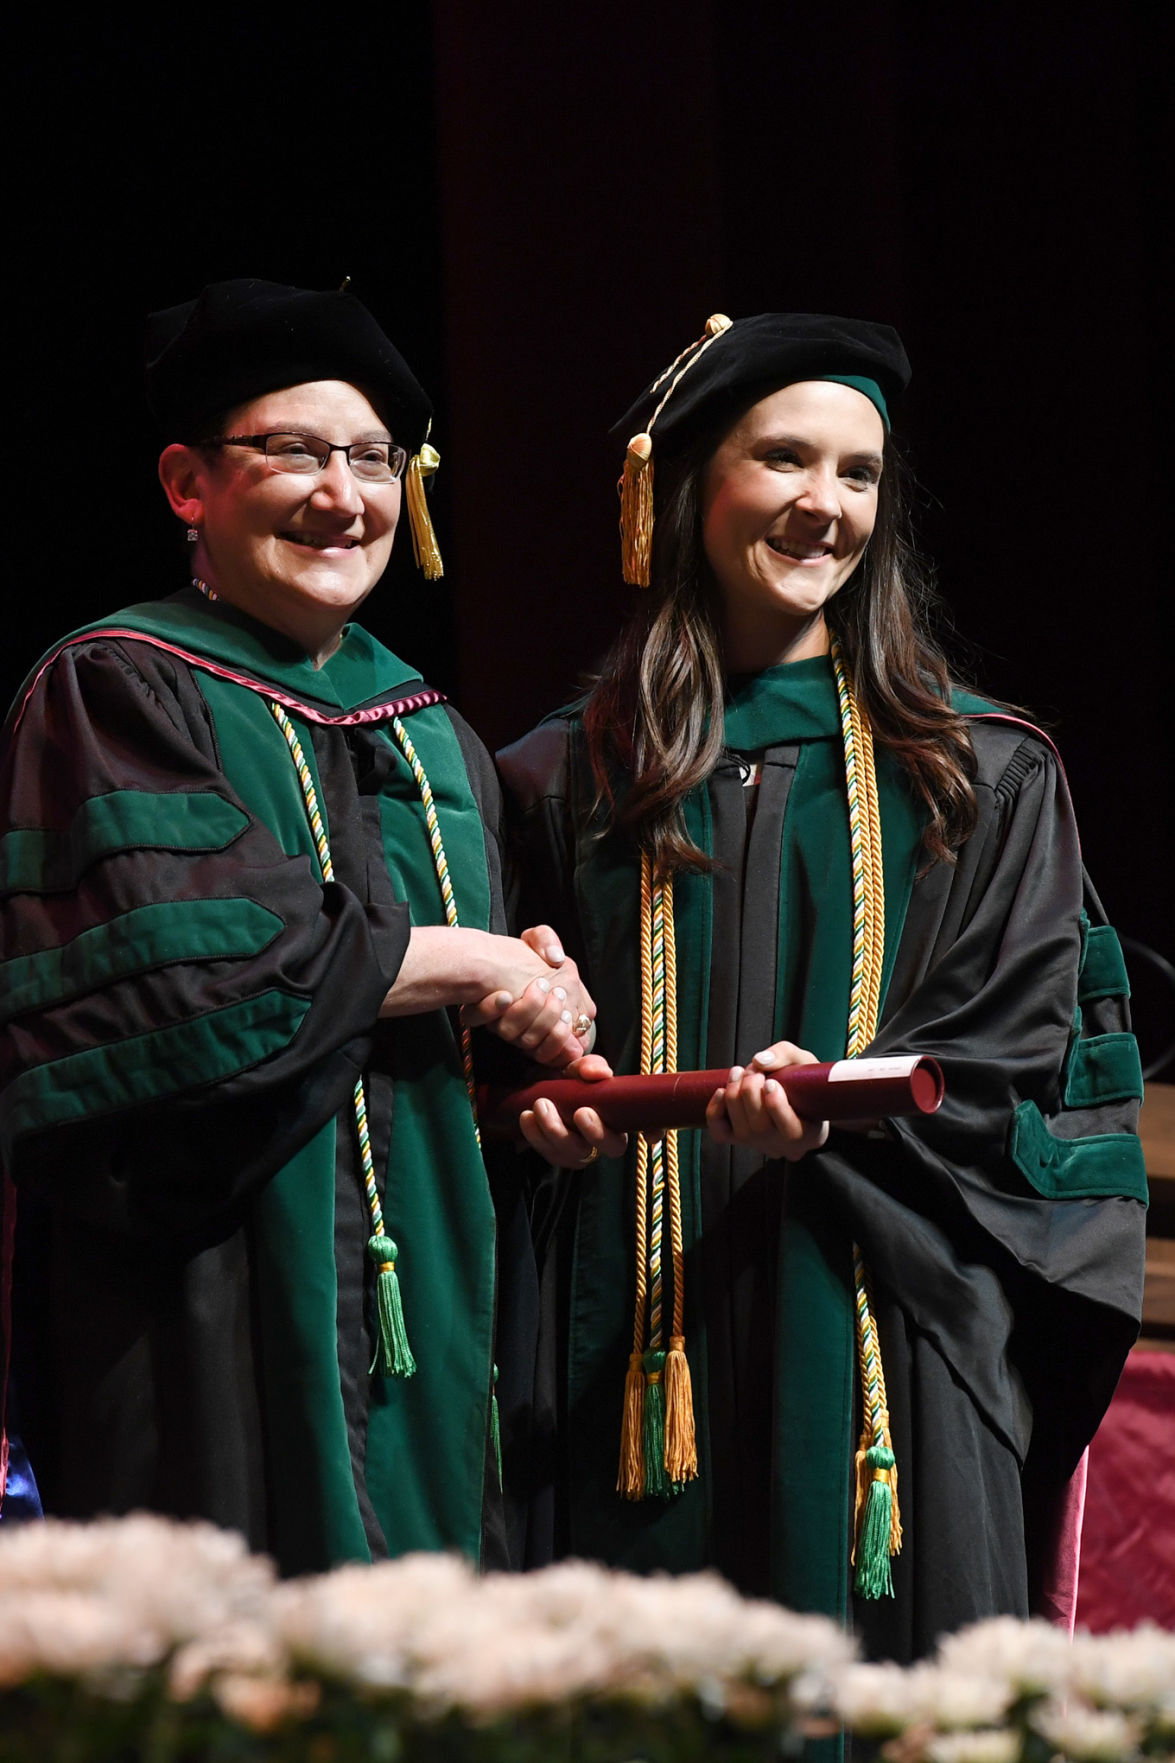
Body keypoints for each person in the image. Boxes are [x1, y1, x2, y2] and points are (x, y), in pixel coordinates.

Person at [498, 313, 1147, 1661]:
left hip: (885, 1334)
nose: (825, 505)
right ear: (684, 491)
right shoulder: (556, 782)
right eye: (784, 459)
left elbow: (1024, 1049)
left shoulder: (980, 774)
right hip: (625, 1341)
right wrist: (533, 1113)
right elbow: (502, 1060)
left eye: (859, 474)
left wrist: (852, 1105)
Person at [0, 278, 600, 1577]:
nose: (345, 494)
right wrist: (473, 961)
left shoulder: (438, 735)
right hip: (204, 1310)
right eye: (294, 452)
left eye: (375, 458)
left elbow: (437, 1059)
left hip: (437, 1304)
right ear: (187, 485)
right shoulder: (114, 687)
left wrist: (534, 1071)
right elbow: (178, 997)